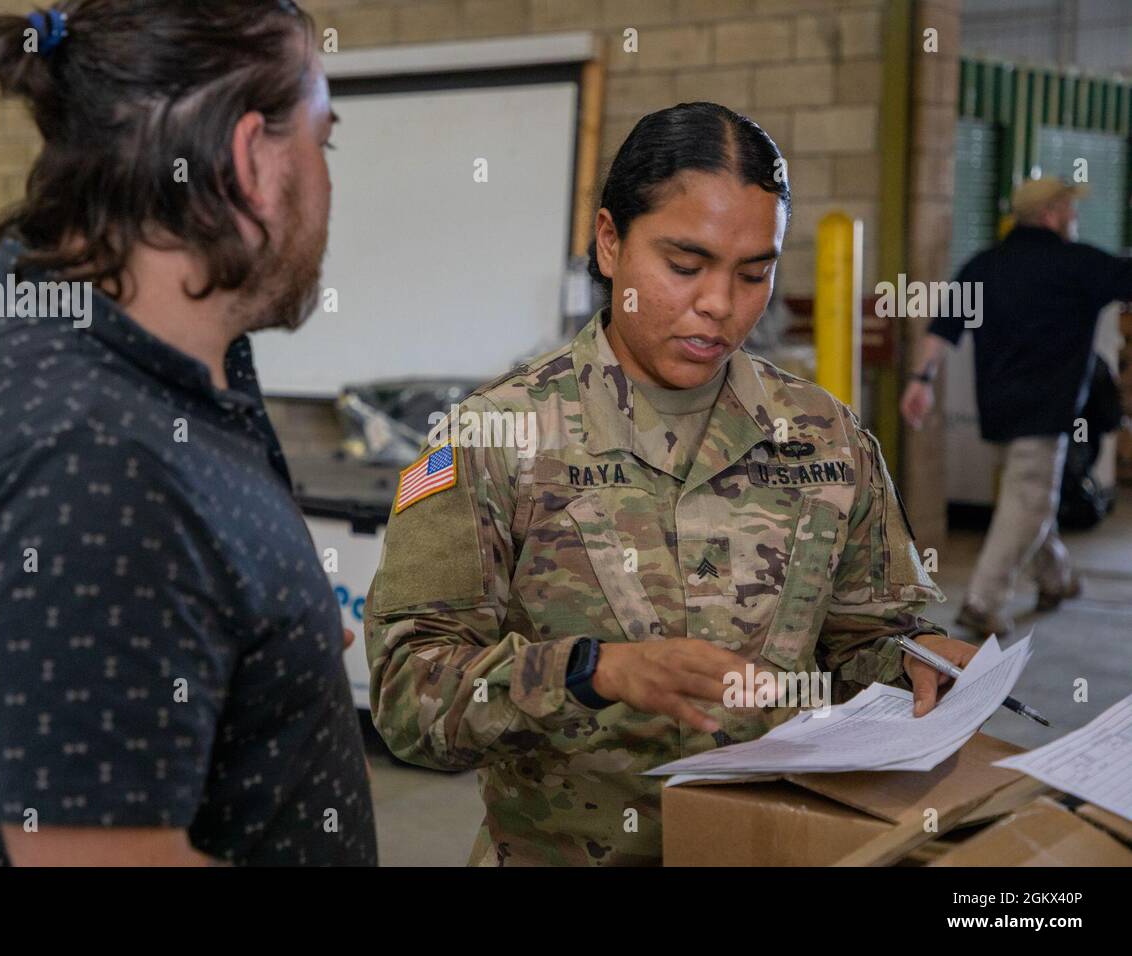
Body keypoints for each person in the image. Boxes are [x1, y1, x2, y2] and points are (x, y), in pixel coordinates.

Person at [365, 102, 978, 866]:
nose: (720, 305)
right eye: (685, 266)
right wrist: (595, 672)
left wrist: (914, 661)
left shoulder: (827, 437)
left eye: (755, 273)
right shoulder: (490, 437)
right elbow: (408, 697)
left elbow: (861, 644)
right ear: (610, 241)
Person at [0, 0, 376, 866]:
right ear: (249, 161)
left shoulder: (170, 356)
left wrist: (265, 640)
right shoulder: (91, 458)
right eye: (322, 144)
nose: (329, 182)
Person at [901, 176, 1132, 638]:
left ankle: (1057, 578)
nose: (1075, 216)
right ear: (1051, 214)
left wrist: (920, 381)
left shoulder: (983, 265)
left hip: (999, 412)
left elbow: (943, 328)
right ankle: (983, 601)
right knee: (1030, 501)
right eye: (1070, 208)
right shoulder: (1078, 264)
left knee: (1027, 501)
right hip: (1046, 412)